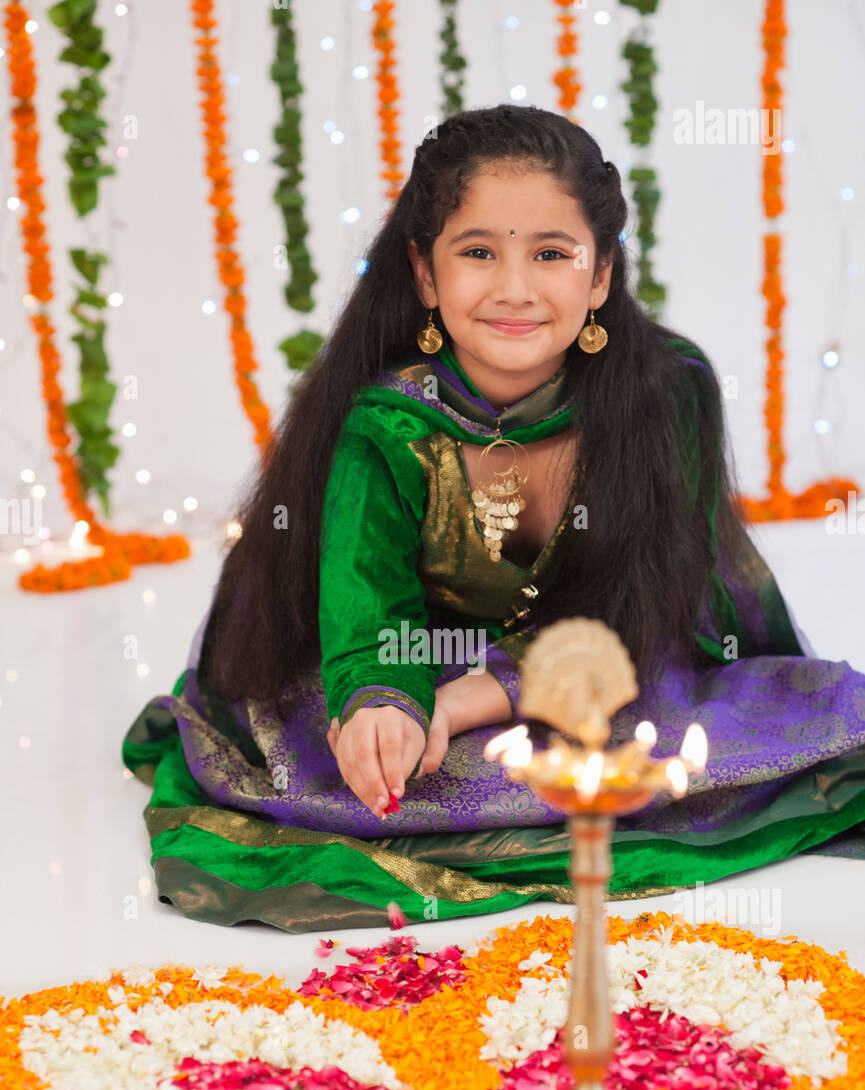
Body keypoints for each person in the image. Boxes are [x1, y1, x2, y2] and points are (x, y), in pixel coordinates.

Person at [122, 104, 865, 933]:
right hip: (427, 665)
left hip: (612, 660)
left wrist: (471, 704)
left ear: (600, 275)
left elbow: (642, 608)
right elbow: (366, 615)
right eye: (478, 253)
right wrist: (388, 704)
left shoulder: (667, 391)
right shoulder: (387, 424)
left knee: (757, 728)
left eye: (551, 254)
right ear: (426, 275)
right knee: (343, 769)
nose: (514, 288)